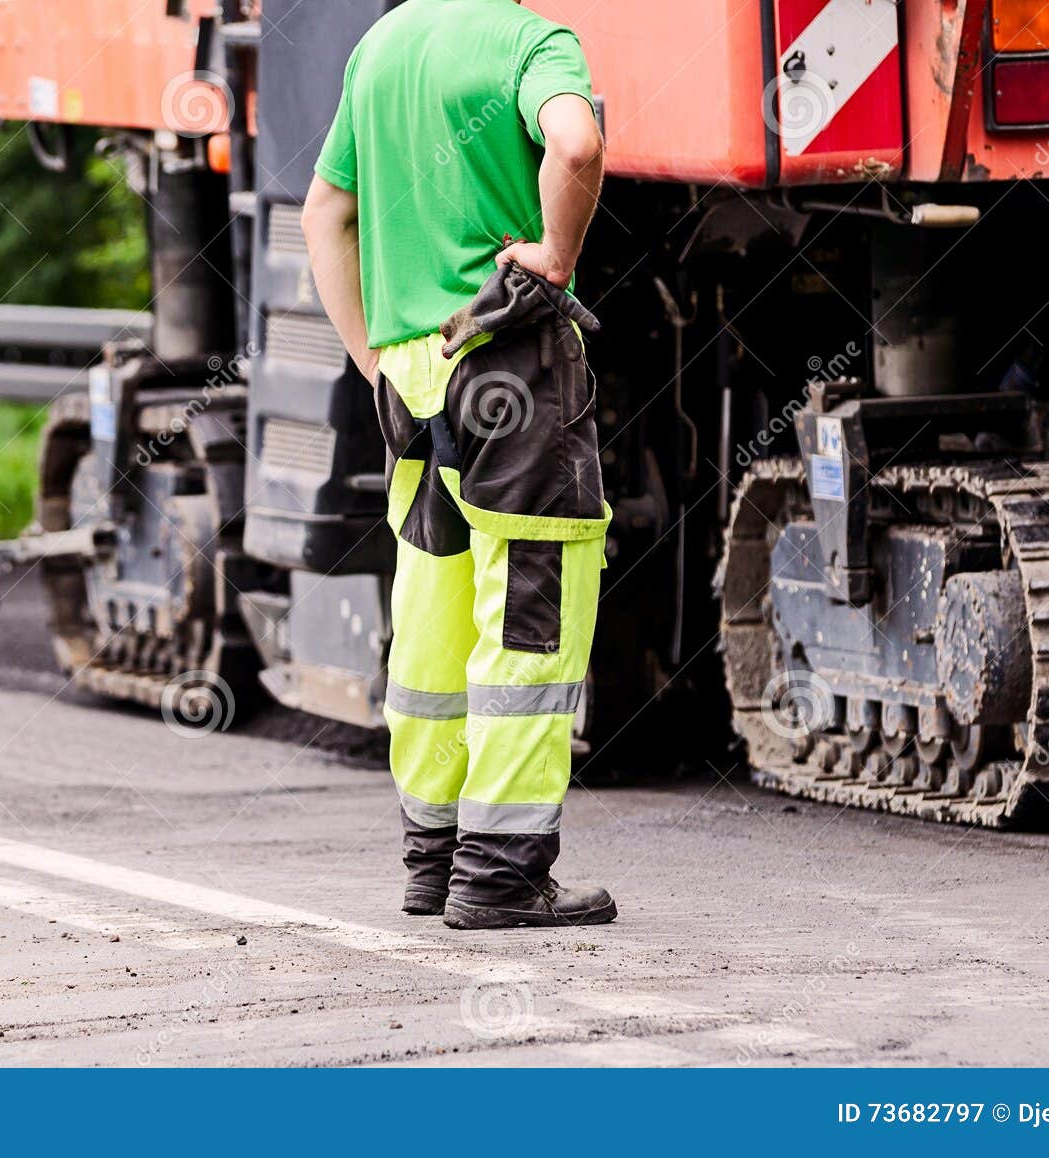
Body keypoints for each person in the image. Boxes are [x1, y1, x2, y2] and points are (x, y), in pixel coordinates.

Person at [302, 0, 615, 929]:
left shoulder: (382, 44)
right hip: (510, 366)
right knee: (529, 612)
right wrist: (555, 254)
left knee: (433, 611)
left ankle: (433, 860)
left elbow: (325, 214)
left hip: (412, 374)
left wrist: (373, 360)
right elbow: (577, 145)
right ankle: (501, 875)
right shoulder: (531, 42)